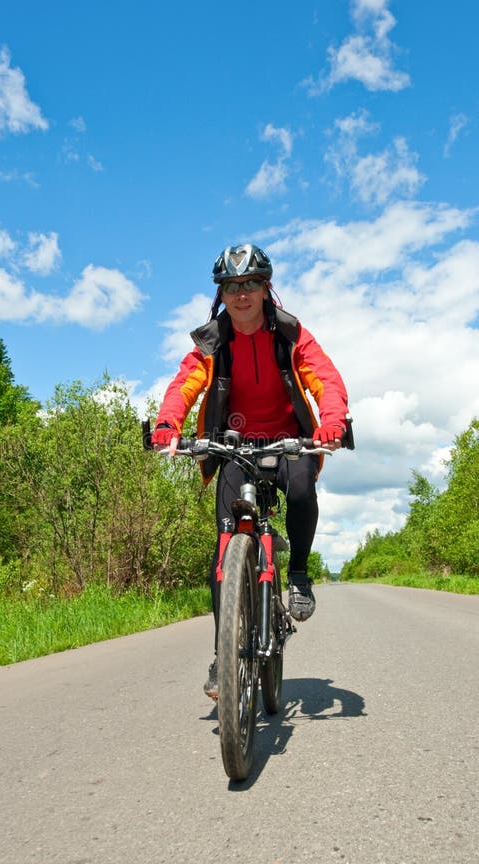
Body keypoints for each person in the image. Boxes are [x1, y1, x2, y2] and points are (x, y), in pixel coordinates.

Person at [151, 244, 350, 699]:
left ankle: (298, 573)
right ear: (221, 293)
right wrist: (168, 424)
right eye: (232, 286)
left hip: (289, 442)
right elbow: (185, 382)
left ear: (266, 288)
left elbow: (325, 378)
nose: (242, 294)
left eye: (251, 284)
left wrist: (333, 421)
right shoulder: (212, 339)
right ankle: (224, 654)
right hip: (233, 445)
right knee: (223, 553)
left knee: (302, 489)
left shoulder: (291, 334)